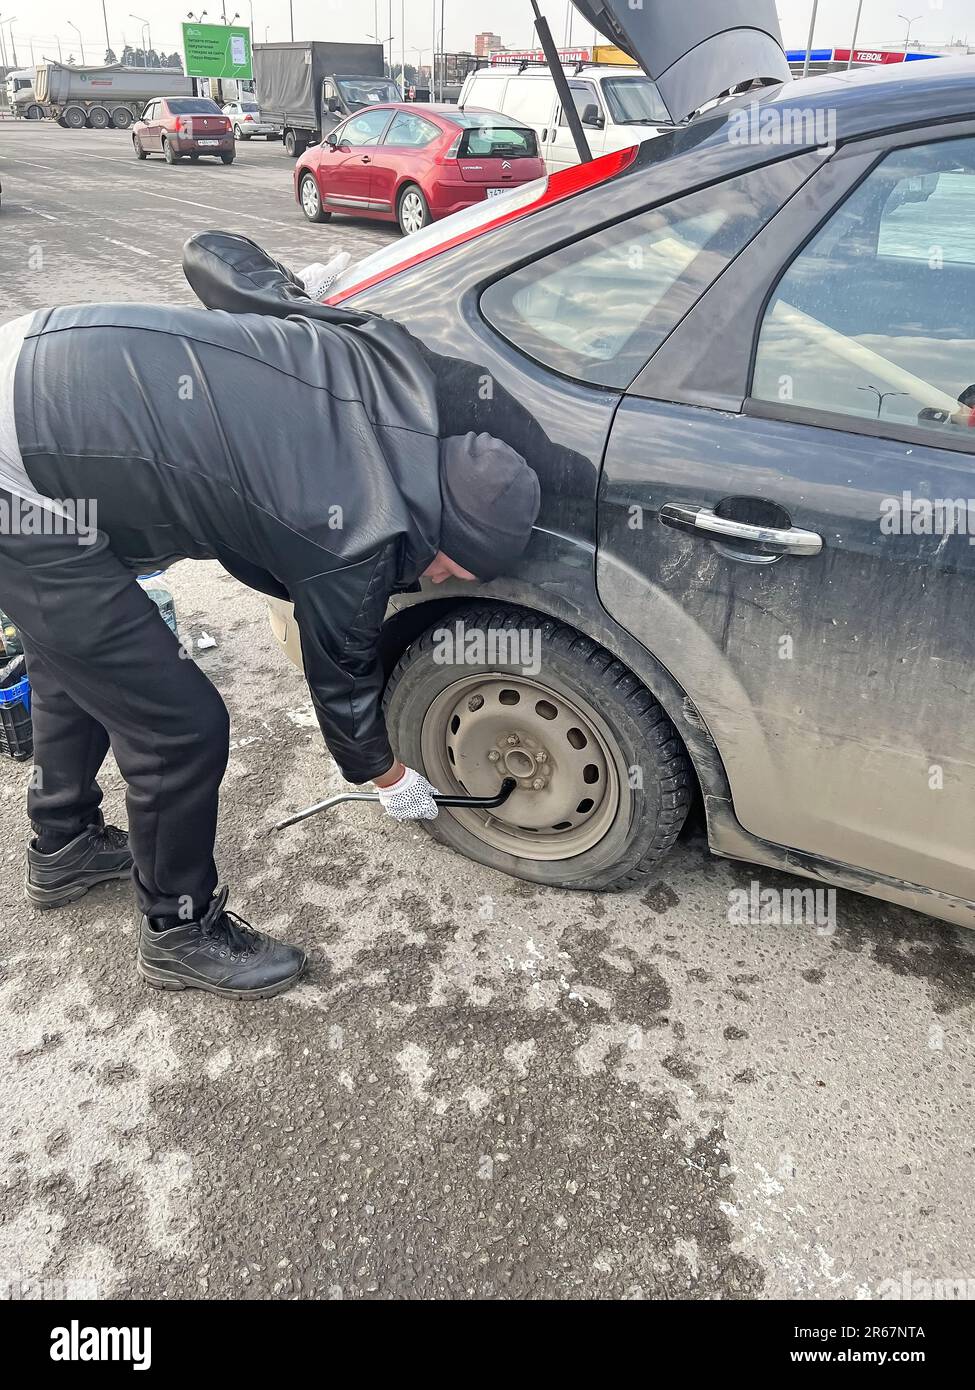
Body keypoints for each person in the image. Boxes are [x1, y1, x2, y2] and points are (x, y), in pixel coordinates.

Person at [0, 232, 541, 1000]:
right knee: (179, 728)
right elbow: (341, 674)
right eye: (450, 568)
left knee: (72, 659)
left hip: (36, 357)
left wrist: (296, 286)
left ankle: (63, 844)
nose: (436, 579)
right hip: (20, 483)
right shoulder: (358, 528)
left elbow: (210, 255)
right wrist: (386, 776)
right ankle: (178, 933)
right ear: (444, 534)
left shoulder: (375, 352)